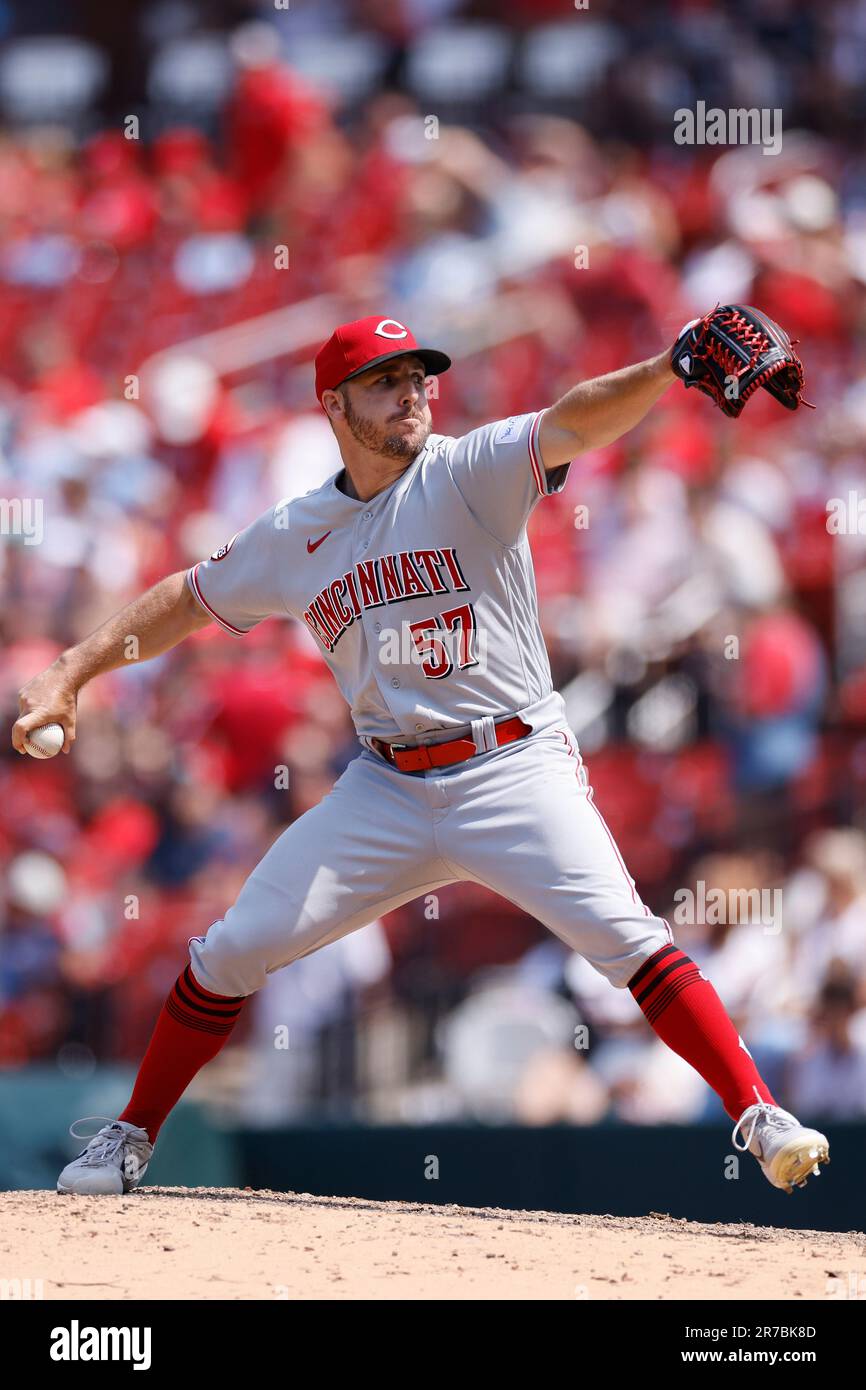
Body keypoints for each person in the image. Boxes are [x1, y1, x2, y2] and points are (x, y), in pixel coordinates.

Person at [13, 314, 829, 1197]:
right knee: (229, 950)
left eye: (419, 377)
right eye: (386, 381)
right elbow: (187, 598)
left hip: (513, 763)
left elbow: (575, 419)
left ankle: (759, 1112)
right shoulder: (298, 533)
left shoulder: (468, 472)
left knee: (628, 939)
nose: (413, 394)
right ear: (334, 405)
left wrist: (668, 366)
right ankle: (129, 1138)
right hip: (387, 787)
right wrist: (71, 668)